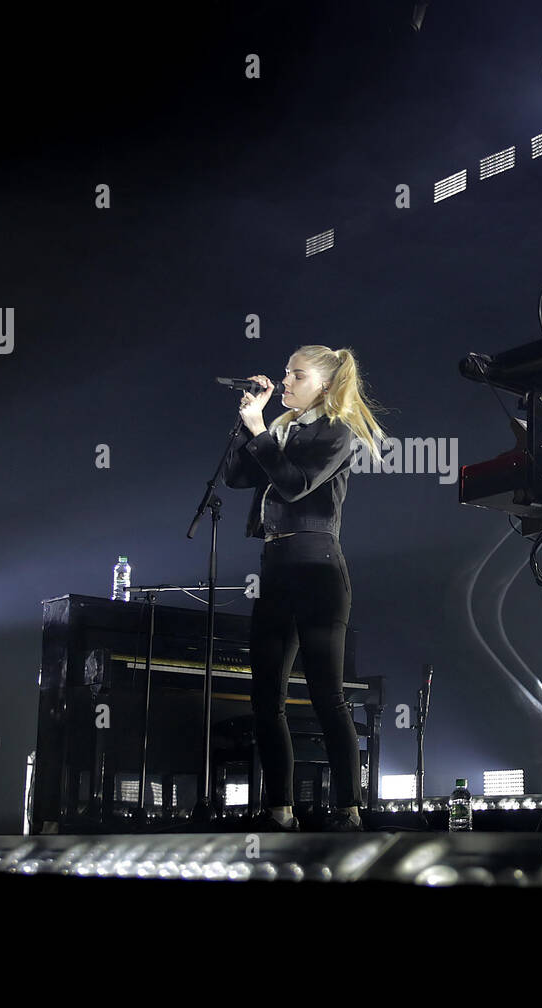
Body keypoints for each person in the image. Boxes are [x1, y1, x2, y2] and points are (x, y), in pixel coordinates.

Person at [223, 346, 384, 831]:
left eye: (297, 375)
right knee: (265, 697)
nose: (285, 382)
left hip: (317, 566)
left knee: (325, 693)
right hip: (274, 567)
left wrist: (260, 431)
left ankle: (348, 809)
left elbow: (294, 485)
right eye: (285, 373)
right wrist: (249, 423)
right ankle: (279, 812)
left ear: (325, 384)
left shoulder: (337, 431)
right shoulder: (281, 429)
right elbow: (235, 477)